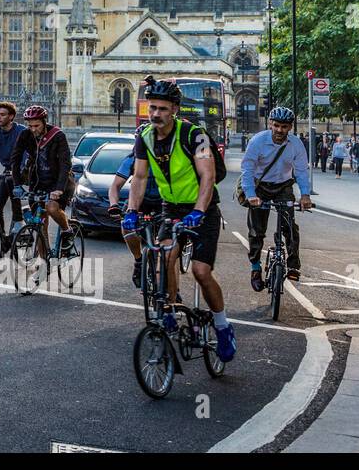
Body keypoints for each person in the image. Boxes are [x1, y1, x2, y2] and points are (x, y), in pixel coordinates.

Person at [125, 79, 236, 362]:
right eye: (152, 108)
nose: (156, 114)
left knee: (200, 271)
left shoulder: (194, 135)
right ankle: (170, 310)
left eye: (162, 108)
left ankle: (222, 326)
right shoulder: (145, 136)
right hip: (171, 208)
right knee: (163, 258)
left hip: (203, 209)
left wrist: (198, 211)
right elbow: (139, 176)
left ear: (174, 109)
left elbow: (208, 176)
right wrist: (131, 211)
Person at [241, 106, 312, 286]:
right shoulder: (257, 141)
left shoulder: (296, 145)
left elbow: (302, 171)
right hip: (260, 187)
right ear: (270, 124)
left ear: (290, 127)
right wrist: (250, 195)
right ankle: (255, 268)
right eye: (277, 125)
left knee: (290, 227)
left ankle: (293, 265)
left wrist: (305, 195)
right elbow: (247, 170)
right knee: (256, 230)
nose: (280, 130)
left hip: (283, 186)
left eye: (285, 127)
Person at [8, 104, 76, 261]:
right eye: (30, 125)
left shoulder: (58, 136)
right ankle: (44, 262)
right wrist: (17, 184)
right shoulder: (25, 135)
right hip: (38, 182)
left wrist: (59, 189)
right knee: (39, 225)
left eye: (36, 125)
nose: (33, 129)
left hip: (60, 182)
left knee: (51, 208)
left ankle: (67, 230)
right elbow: (15, 159)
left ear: (45, 122)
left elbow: (66, 164)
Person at [110, 145, 162, 288]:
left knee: (169, 245)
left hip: (164, 200)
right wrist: (113, 205)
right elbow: (115, 186)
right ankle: (139, 260)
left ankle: (172, 288)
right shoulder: (132, 158)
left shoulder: (166, 157)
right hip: (140, 199)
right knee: (126, 227)